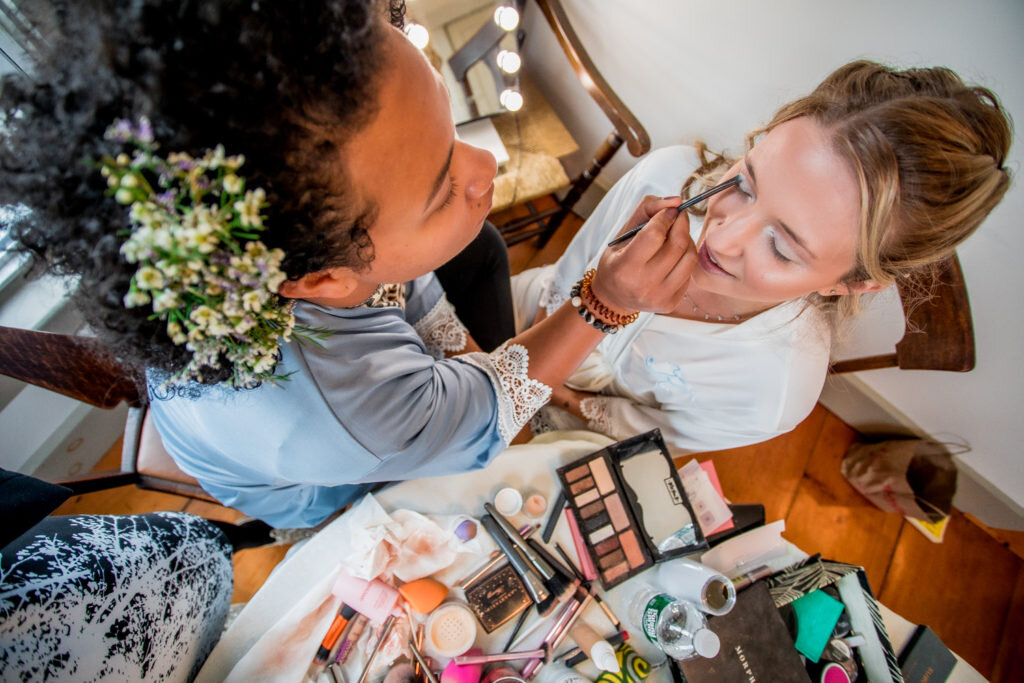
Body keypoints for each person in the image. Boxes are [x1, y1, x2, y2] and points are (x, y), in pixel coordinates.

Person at [1, 0, 695, 528]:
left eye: (450, 132)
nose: (488, 164)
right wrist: (605, 300)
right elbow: (479, 416)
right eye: (437, 185)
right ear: (325, 279)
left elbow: (405, 280)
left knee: (480, 250)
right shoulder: (348, 409)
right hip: (320, 482)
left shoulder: (299, 232)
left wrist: (469, 356)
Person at [513, 60, 1013, 453]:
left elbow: (644, 441)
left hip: (581, 442)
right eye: (746, 184)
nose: (721, 238)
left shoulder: (771, 390)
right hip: (521, 323)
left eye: (781, 246)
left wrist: (547, 393)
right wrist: (528, 351)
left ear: (848, 283)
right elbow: (557, 287)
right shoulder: (665, 179)